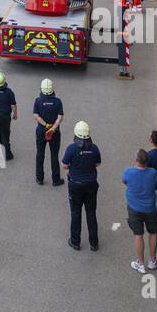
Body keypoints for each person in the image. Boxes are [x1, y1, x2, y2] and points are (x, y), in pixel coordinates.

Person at [61, 120, 101, 251]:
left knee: (75, 213)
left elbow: (64, 165)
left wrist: (71, 171)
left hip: (75, 185)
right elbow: (97, 164)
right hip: (91, 184)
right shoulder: (94, 148)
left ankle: (75, 241)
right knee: (91, 213)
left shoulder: (71, 149)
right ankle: (94, 243)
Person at [122, 148, 157, 274]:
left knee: (138, 235)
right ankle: (153, 261)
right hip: (150, 208)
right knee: (153, 233)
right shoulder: (153, 172)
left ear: (137, 160)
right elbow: (155, 183)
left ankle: (140, 263)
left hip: (134, 208)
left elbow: (124, 181)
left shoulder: (129, 172)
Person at [32, 78, 64, 186]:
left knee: (40, 154)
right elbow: (60, 117)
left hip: (41, 131)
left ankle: (39, 178)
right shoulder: (57, 101)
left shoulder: (38, 101)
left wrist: (45, 125)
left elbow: (36, 116)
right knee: (54, 155)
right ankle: (56, 180)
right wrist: (53, 128)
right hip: (54, 132)